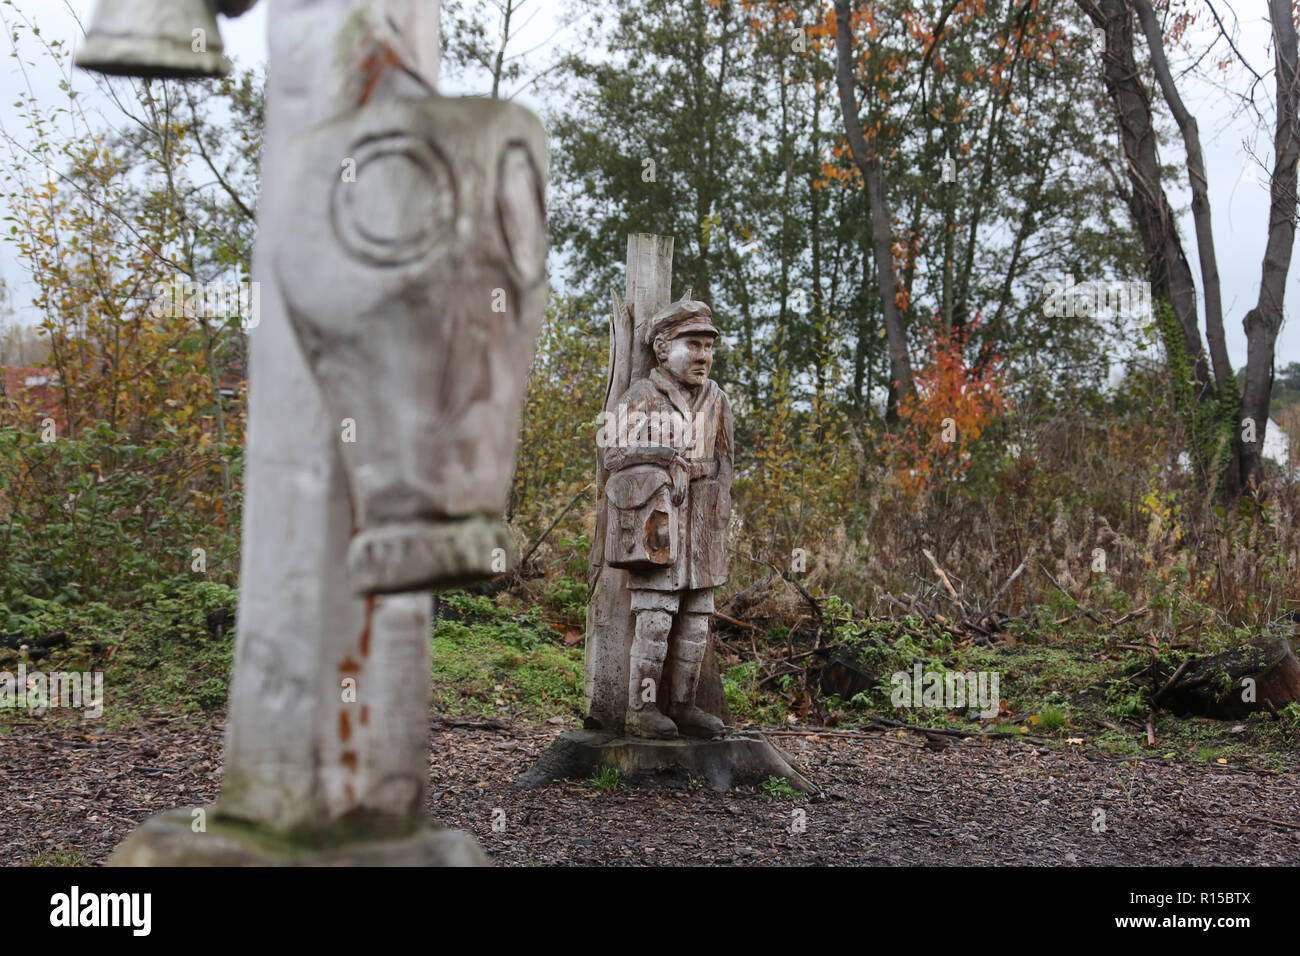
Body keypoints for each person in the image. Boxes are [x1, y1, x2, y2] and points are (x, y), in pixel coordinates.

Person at [601, 297, 733, 738]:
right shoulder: (642, 394)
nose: (703, 356)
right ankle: (641, 711)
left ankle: (683, 706)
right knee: (655, 618)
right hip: (658, 527)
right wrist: (662, 456)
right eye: (692, 344)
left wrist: (720, 511)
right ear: (662, 348)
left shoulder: (717, 399)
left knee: (696, 621)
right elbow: (611, 454)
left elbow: (726, 461)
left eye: (709, 347)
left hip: (705, 531)